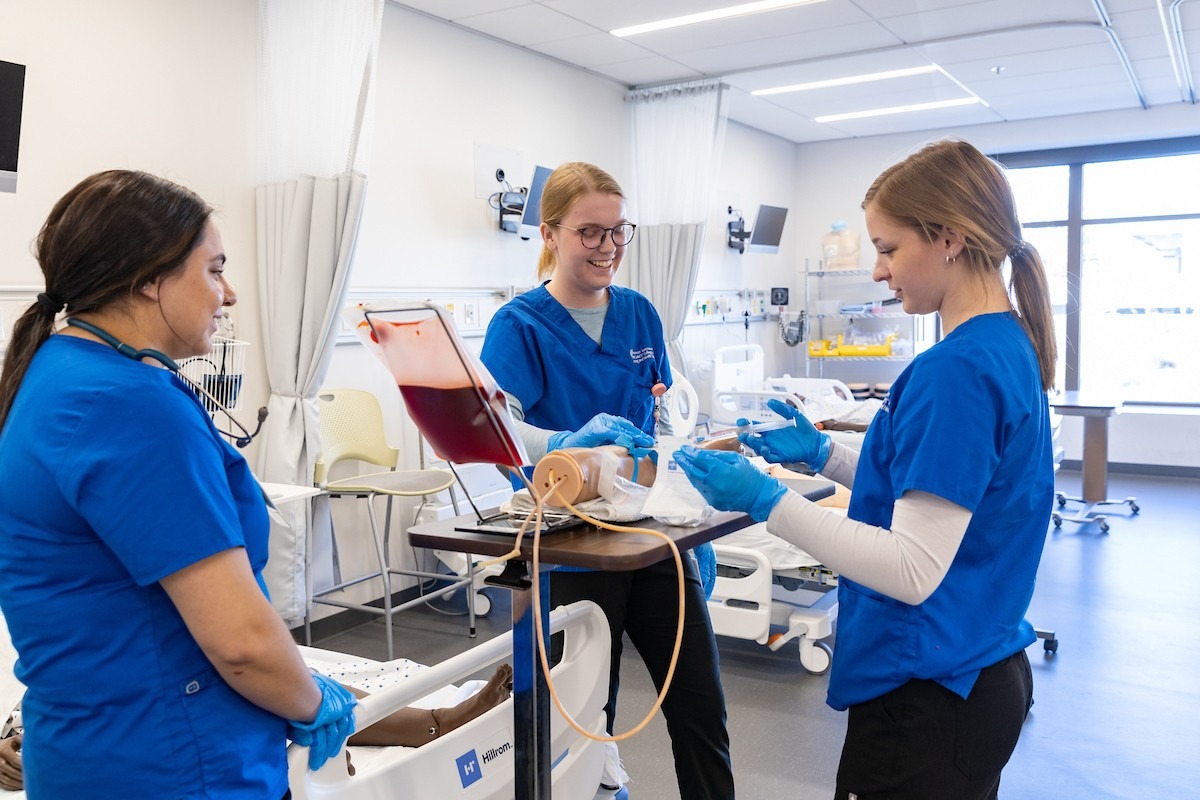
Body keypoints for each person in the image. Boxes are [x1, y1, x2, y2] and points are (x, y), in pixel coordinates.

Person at [0, 170, 499, 798]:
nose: (229, 294)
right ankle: (430, 723)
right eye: (214, 270)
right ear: (149, 278)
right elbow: (242, 645)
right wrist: (316, 707)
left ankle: (430, 722)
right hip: (176, 765)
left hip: (94, 750)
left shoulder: (56, 372)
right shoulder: (129, 405)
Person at [674, 139, 1057, 800]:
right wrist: (825, 456)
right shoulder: (1004, 343)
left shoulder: (956, 372)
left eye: (887, 248)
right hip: (977, 670)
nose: (878, 271)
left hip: (927, 695)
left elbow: (910, 568)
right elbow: (943, 495)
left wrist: (766, 499)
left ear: (950, 239)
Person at [479, 162, 734, 799]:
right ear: (550, 233)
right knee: (589, 721)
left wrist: (683, 477)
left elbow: (662, 413)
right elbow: (499, 437)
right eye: (590, 232)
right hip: (571, 546)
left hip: (651, 536)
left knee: (700, 709)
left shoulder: (640, 314)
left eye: (619, 231)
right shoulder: (520, 326)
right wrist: (563, 444)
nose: (608, 247)